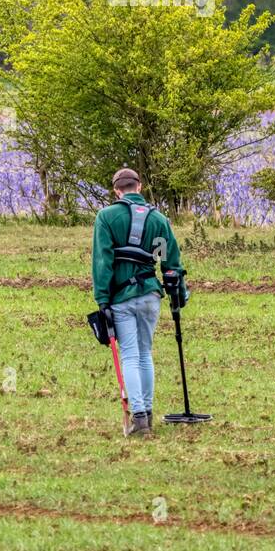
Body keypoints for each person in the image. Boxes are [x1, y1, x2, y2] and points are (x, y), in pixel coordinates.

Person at [92, 167, 187, 436]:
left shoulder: (106, 217)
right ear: (139, 186)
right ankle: (147, 414)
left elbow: (103, 261)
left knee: (130, 355)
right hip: (150, 296)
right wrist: (177, 294)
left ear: (116, 190)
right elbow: (168, 262)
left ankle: (139, 418)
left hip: (121, 297)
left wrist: (102, 298)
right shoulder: (159, 220)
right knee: (145, 354)